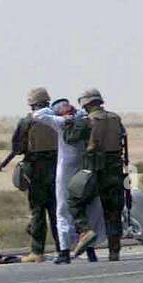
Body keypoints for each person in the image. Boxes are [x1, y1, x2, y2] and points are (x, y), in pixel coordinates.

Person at [31, 98, 106, 263]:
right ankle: (90, 251)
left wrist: (57, 114)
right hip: (86, 169)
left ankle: (64, 252)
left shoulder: (60, 123)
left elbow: (37, 115)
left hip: (66, 172)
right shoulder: (84, 120)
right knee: (88, 208)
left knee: (63, 210)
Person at [68, 88, 128, 261]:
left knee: (75, 200)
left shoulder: (87, 120)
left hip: (94, 170)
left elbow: (70, 138)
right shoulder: (116, 118)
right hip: (116, 168)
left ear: (86, 104)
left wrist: (70, 122)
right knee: (114, 211)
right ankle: (114, 250)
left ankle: (85, 230)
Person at [10, 87, 61, 262]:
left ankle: (37, 251)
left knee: (38, 210)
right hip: (56, 166)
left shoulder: (27, 121)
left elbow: (17, 147)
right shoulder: (56, 118)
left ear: (31, 103)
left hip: (36, 168)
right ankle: (63, 248)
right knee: (56, 210)